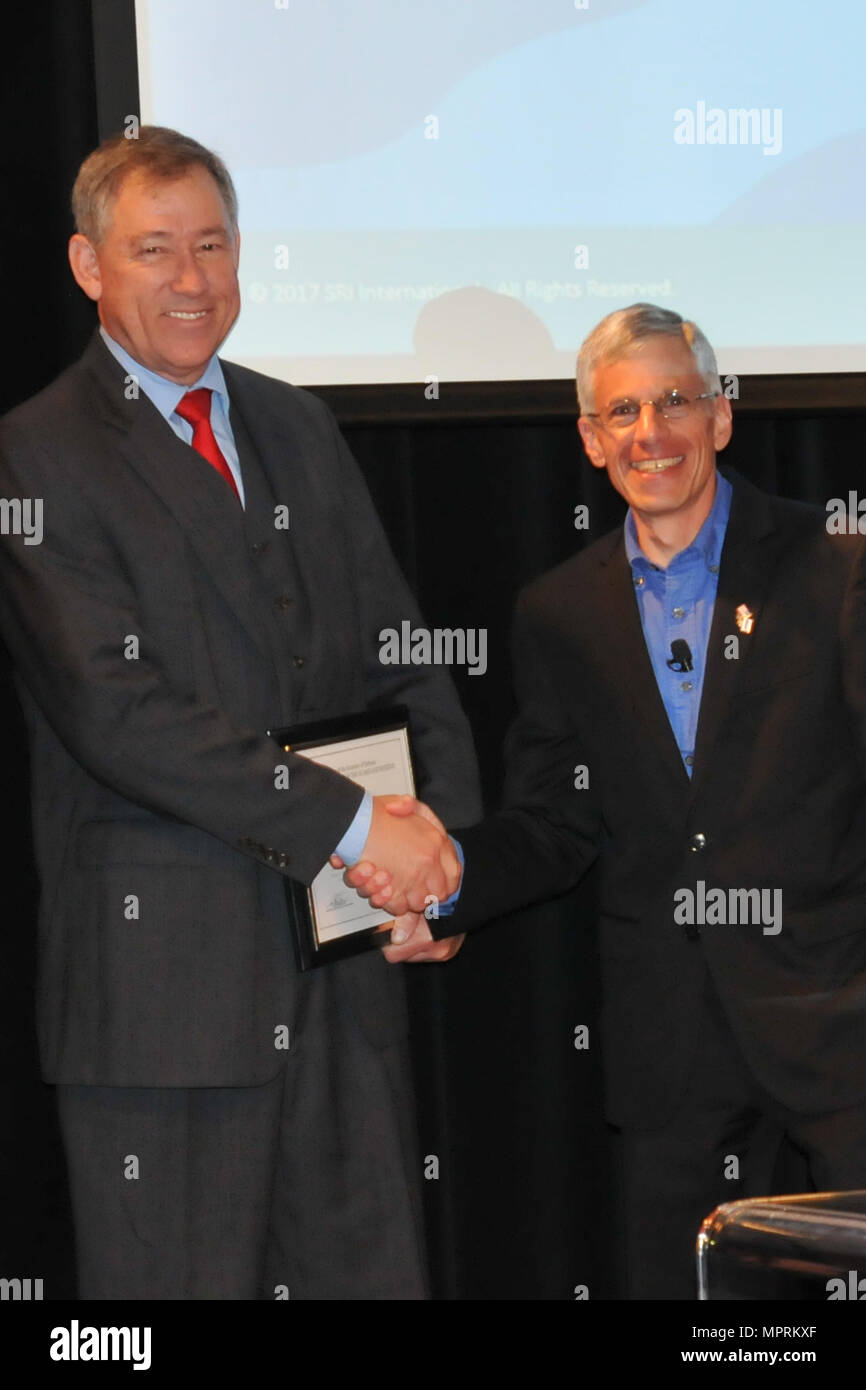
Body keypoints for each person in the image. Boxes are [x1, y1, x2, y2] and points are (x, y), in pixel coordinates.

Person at [0, 125, 480, 1300]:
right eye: (153, 248)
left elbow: (400, 654)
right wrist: (368, 834)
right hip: (163, 1006)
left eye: (210, 244)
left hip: (340, 972)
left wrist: (448, 860)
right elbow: (118, 713)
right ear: (86, 266)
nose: (191, 278)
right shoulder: (34, 455)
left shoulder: (295, 423)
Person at [341, 302, 866, 1299]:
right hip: (671, 1049)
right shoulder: (559, 611)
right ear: (588, 440)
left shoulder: (833, 565)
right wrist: (449, 886)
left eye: (673, 401)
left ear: (718, 415)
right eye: (620, 411)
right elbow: (555, 818)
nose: (648, 433)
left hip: (837, 1025)